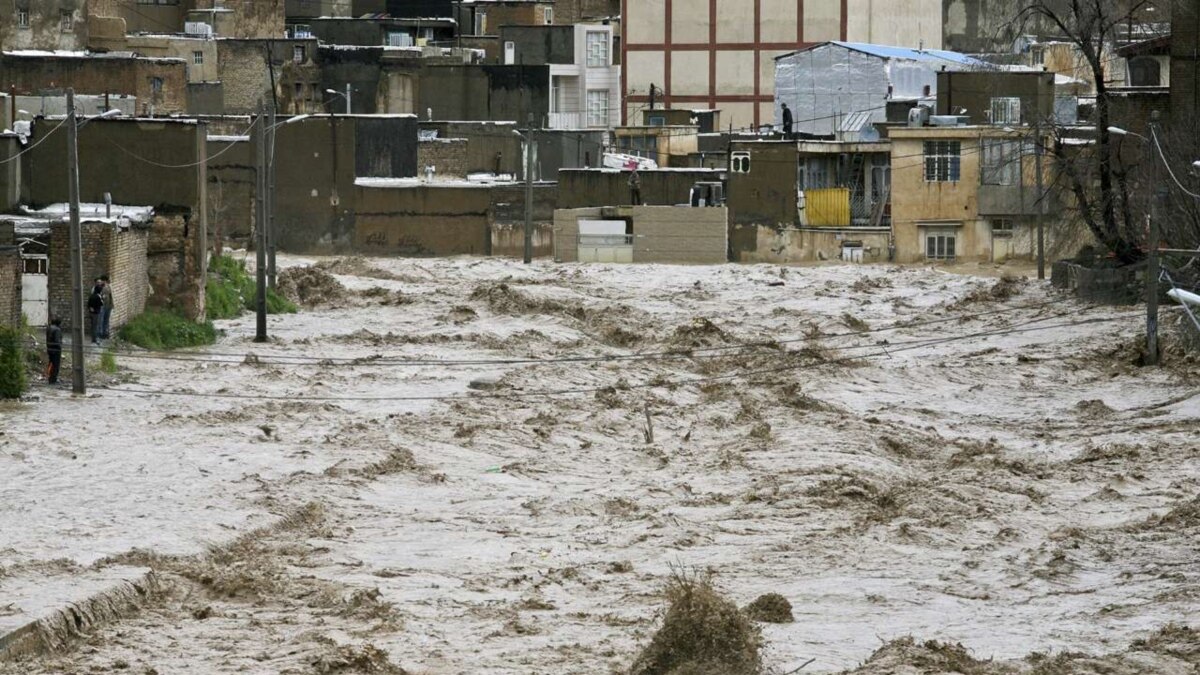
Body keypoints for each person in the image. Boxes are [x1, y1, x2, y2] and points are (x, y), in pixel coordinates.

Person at [45, 317, 63, 385]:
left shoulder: (49, 328)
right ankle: (53, 379)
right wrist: (60, 347)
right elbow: (57, 341)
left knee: (51, 363)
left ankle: (50, 377)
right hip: (56, 350)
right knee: (56, 365)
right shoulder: (57, 330)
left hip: (49, 348)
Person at [87, 278, 104, 345]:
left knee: (93, 326)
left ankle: (93, 338)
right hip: (96, 313)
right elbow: (101, 304)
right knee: (95, 326)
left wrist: (90, 308)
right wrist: (102, 298)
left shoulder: (91, 296)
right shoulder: (98, 297)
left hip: (91, 312)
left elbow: (88, 304)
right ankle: (95, 339)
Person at [99, 274, 114, 339]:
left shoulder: (108, 287)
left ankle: (105, 333)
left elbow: (111, 296)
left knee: (105, 320)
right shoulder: (99, 287)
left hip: (108, 306)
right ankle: (101, 333)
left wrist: (112, 305)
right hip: (102, 306)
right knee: (102, 320)